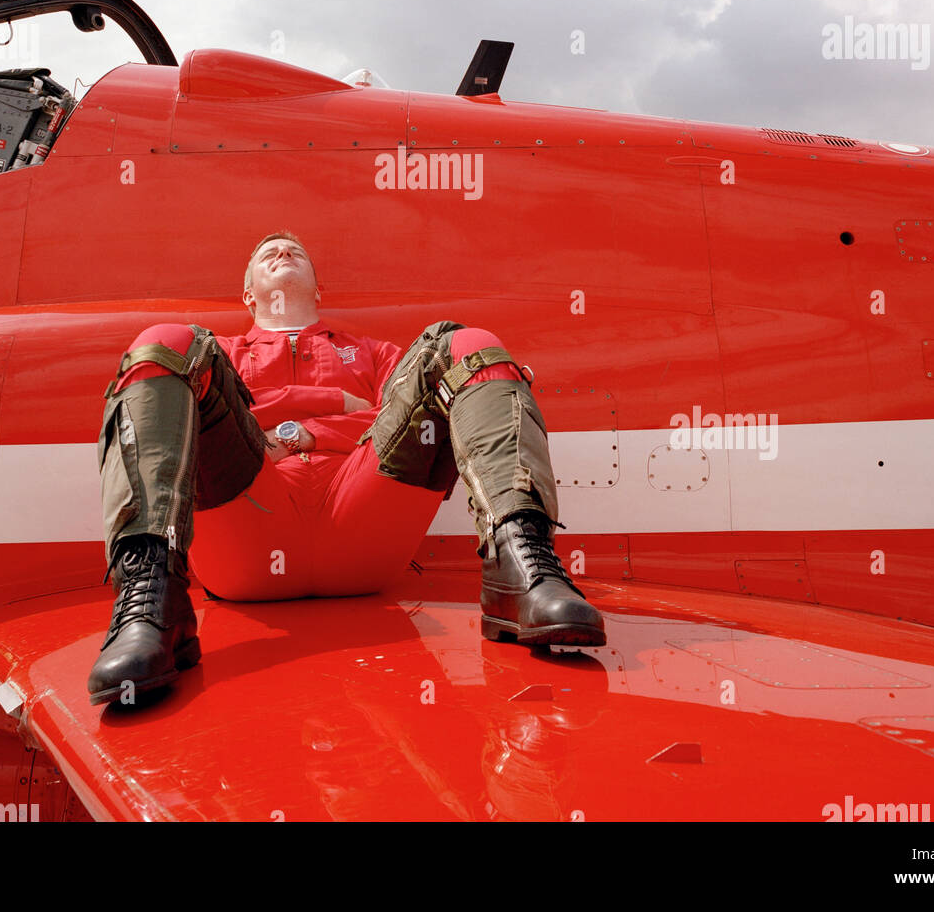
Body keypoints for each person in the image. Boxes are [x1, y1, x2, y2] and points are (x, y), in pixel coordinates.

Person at [87, 231, 605, 705]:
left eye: (295, 251)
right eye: (268, 254)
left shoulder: (378, 355)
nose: (283, 252)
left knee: (466, 346)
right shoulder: (214, 356)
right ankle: (150, 605)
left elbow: (390, 425)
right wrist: (337, 403)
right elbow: (369, 417)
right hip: (247, 531)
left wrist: (291, 430)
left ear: (319, 287)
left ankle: (520, 567)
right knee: (164, 343)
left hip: (362, 521)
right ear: (248, 295)